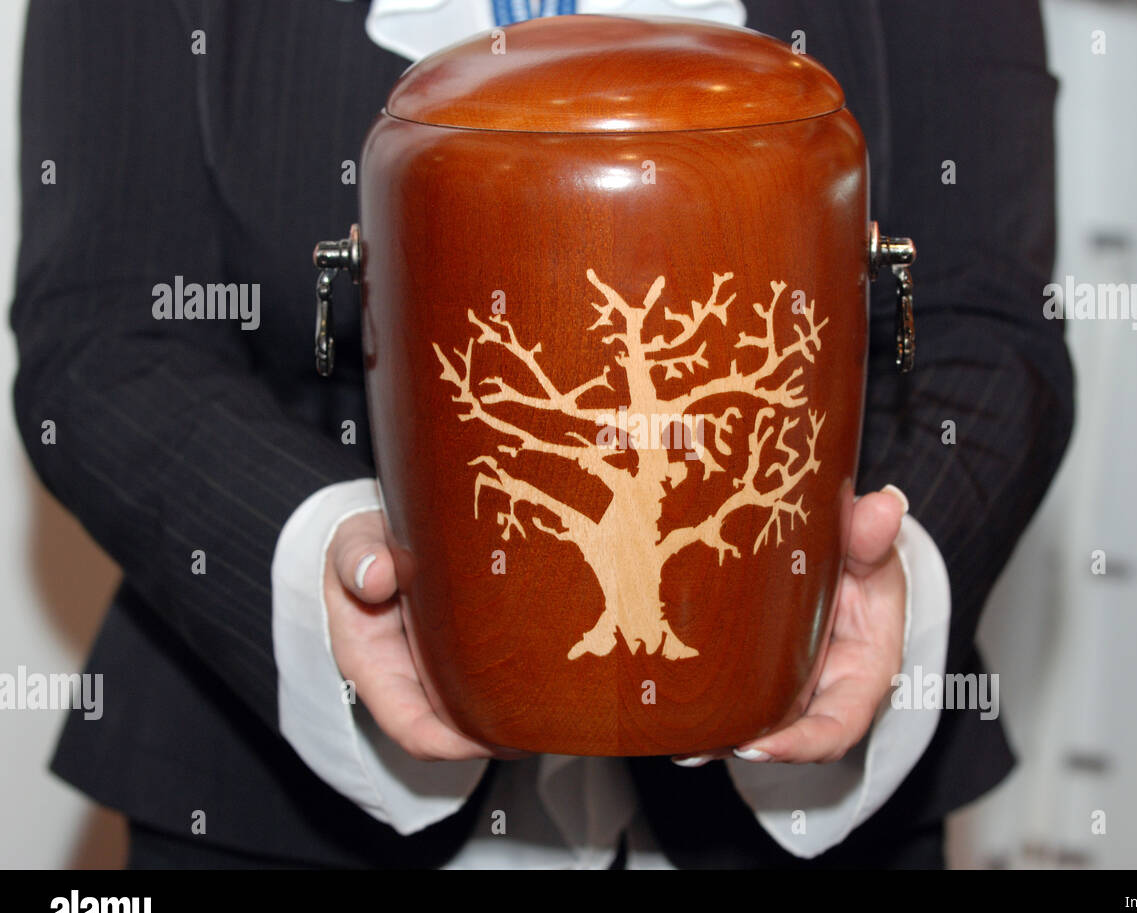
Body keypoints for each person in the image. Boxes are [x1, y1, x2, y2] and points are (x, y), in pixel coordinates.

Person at [11, 0, 1072, 868]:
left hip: (818, 819)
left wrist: (882, 569)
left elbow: (989, 321)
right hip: (264, 802)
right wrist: (322, 562)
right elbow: (102, 335)